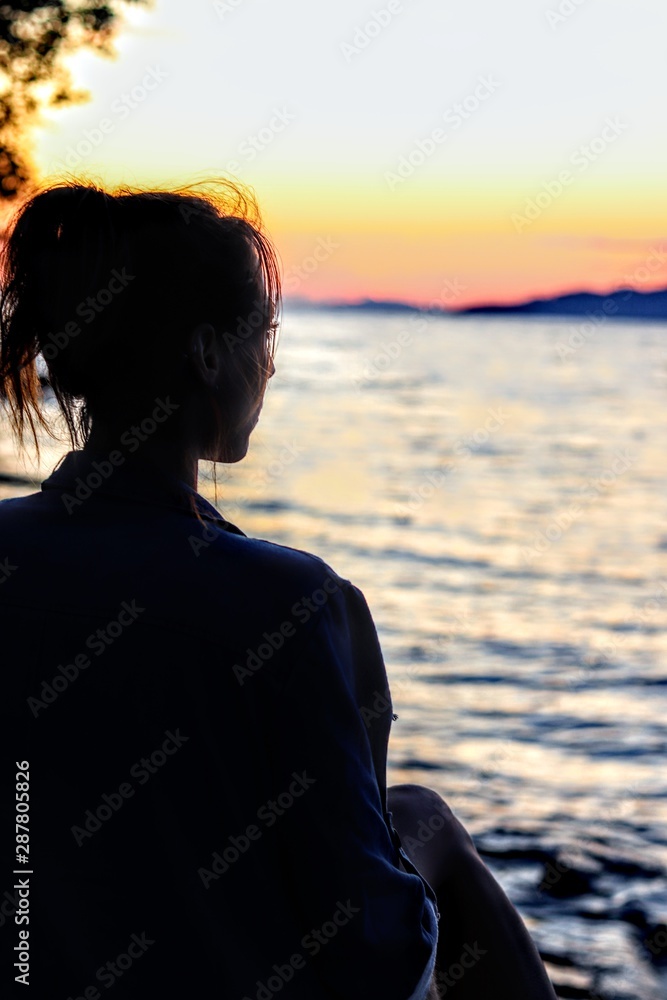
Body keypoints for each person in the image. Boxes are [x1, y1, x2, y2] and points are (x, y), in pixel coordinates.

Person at [0, 180, 556, 999]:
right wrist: (369, 754)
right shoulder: (294, 605)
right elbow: (374, 953)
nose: (271, 361)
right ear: (207, 353)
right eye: (263, 333)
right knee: (424, 819)